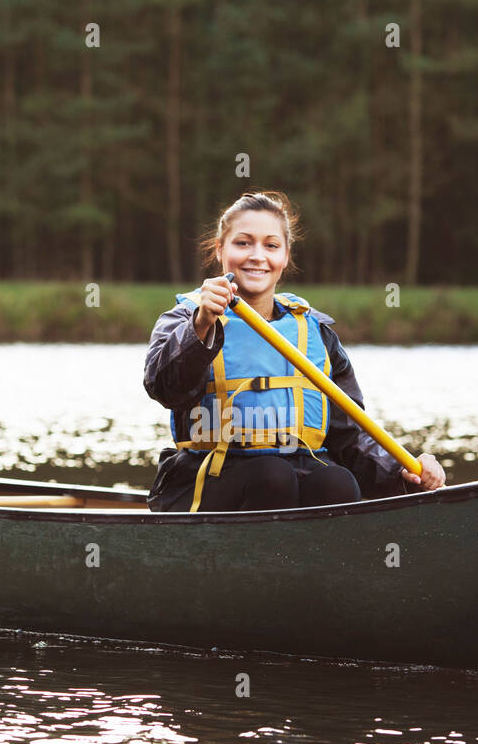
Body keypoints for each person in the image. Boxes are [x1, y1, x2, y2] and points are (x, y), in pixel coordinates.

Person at [144, 191, 446, 512]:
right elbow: (164, 388)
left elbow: (348, 434)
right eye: (243, 243)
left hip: (297, 469)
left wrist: (400, 470)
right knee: (272, 475)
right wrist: (202, 323)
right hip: (207, 478)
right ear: (220, 250)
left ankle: (312, 560)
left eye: (271, 245)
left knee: (336, 481)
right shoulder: (186, 317)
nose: (257, 256)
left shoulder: (315, 330)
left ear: (285, 256)